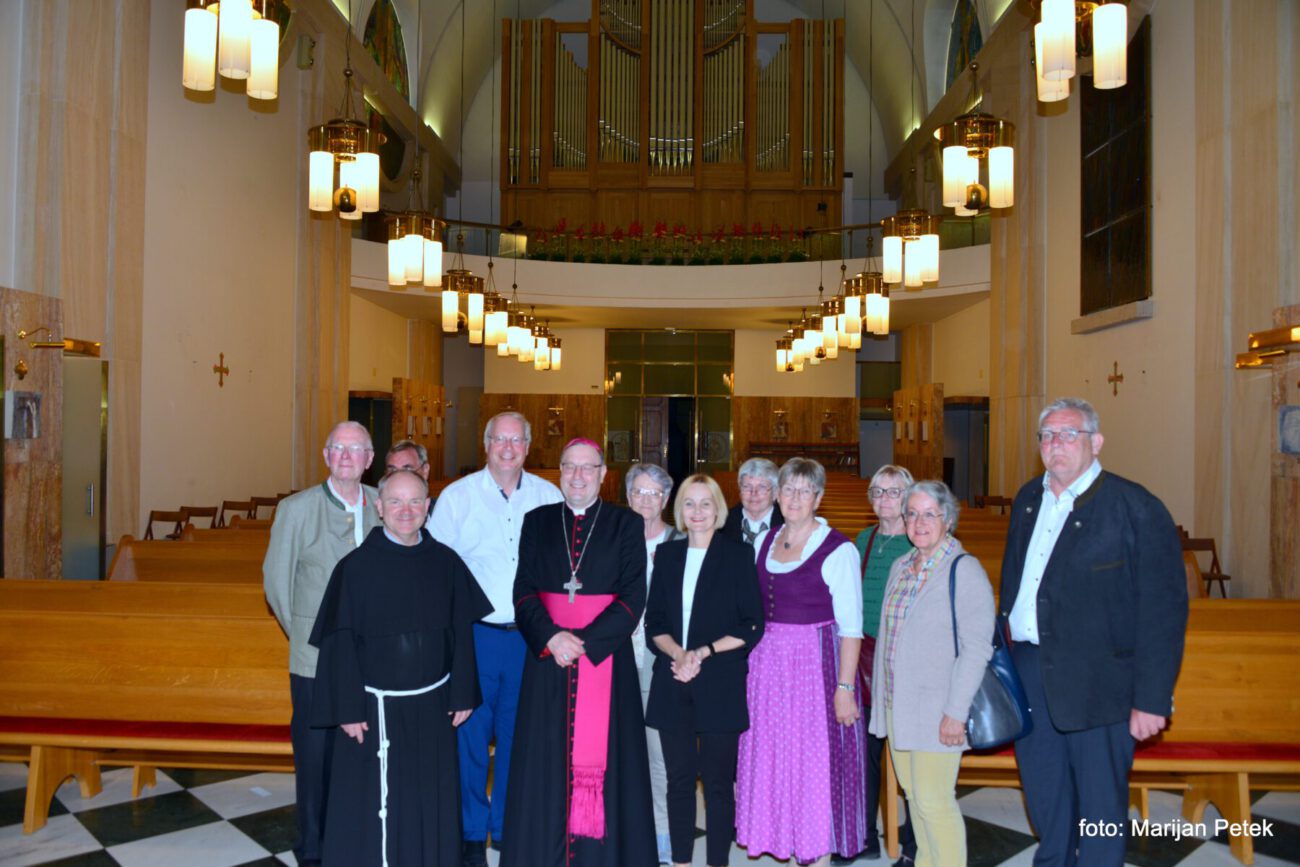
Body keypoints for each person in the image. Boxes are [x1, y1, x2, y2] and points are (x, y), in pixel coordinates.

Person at [1001, 398, 1188, 867]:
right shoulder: (1028, 498)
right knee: (1045, 791)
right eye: (1046, 435)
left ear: (1096, 442)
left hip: (1100, 680)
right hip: (1031, 670)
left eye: (1068, 434)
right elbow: (1016, 582)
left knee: (1101, 803)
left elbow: (1163, 612)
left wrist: (1151, 697)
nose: (1054, 445)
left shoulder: (1135, 507)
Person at [309, 469, 492, 866]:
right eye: (395, 501)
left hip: (433, 706)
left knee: (427, 795)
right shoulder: (354, 568)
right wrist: (347, 707)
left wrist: (463, 691)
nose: (405, 511)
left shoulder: (446, 562)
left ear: (428, 508)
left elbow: (462, 632)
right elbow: (339, 645)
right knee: (371, 802)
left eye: (414, 502)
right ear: (379, 507)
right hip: (373, 711)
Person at [501, 437, 658, 867]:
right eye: (569, 466)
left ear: (603, 474)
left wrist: (585, 643)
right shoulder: (538, 521)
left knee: (609, 760)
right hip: (550, 659)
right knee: (544, 762)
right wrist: (552, 637)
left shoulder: (626, 524)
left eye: (587, 468)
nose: (577, 476)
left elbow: (632, 597)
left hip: (603, 661)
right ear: (559, 472)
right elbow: (524, 590)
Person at [427, 411, 562, 866]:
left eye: (517, 440)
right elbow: (437, 569)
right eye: (499, 439)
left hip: (529, 637)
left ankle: (507, 827)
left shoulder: (549, 496)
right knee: (469, 736)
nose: (508, 447)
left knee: (517, 736)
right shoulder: (456, 497)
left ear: (528, 446)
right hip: (476, 636)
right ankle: (470, 832)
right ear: (486, 445)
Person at [735, 457, 868, 867]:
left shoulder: (837, 548)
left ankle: (816, 852)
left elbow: (851, 627)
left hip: (813, 666)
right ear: (777, 495)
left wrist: (845, 688)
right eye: (787, 489)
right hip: (766, 669)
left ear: (818, 497)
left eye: (803, 491)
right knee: (772, 758)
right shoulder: (763, 541)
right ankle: (780, 834)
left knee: (810, 762)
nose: (794, 498)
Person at [263, 420, 381, 867]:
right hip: (315, 659)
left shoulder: (381, 504)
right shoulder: (297, 509)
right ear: (326, 456)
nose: (347, 456)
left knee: (361, 755)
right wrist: (310, 640)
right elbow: (277, 584)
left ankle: (352, 839)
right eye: (338, 448)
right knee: (315, 758)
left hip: (371, 660)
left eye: (356, 450)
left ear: (370, 460)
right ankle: (311, 850)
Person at [869, 480, 994, 867]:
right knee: (915, 800)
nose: (919, 522)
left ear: (948, 519)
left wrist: (956, 712)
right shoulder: (901, 566)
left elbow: (977, 649)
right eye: (912, 514)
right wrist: (880, 707)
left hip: (939, 708)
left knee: (934, 801)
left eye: (929, 514)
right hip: (898, 704)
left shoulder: (964, 570)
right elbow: (887, 639)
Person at [645, 474, 764, 867]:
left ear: (718, 509)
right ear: (679, 510)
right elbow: (654, 624)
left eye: (705, 504)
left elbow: (751, 624)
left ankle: (716, 863)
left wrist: (702, 653)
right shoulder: (667, 556)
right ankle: (680, 861)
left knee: (717, 786)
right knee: (678, 783)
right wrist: (679, 654)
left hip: (719, 682)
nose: (697, 512)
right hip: (672, 679)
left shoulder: (737, 555)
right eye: (689, 504)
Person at [848, 464, 919, 865]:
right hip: (867, 657)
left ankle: (912, 840)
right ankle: (864, 835)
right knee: (866, 753)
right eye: (877, 492)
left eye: (893, 492)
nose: (884, 499)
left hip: (906, 659)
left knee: (907, 754)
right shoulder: (864, 539)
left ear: (908, 497)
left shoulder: (919, 537)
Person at [625, 463, 685, 865]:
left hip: (660, 659)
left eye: (653, 494)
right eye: (638, 492)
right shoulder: (613, 538)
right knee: (618, 749)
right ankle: (624, 830)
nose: (645, 500)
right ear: (627, 496)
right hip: (616, 655)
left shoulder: (680, 542)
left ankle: (662, 834)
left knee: (657, 753)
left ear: (665, 500)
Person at [721, 457, 784, 547]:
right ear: (740, 490)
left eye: (762, 487)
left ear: (775, 493)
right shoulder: (723, 523)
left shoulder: (786, 524)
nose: (753, 493)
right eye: (747, 486)